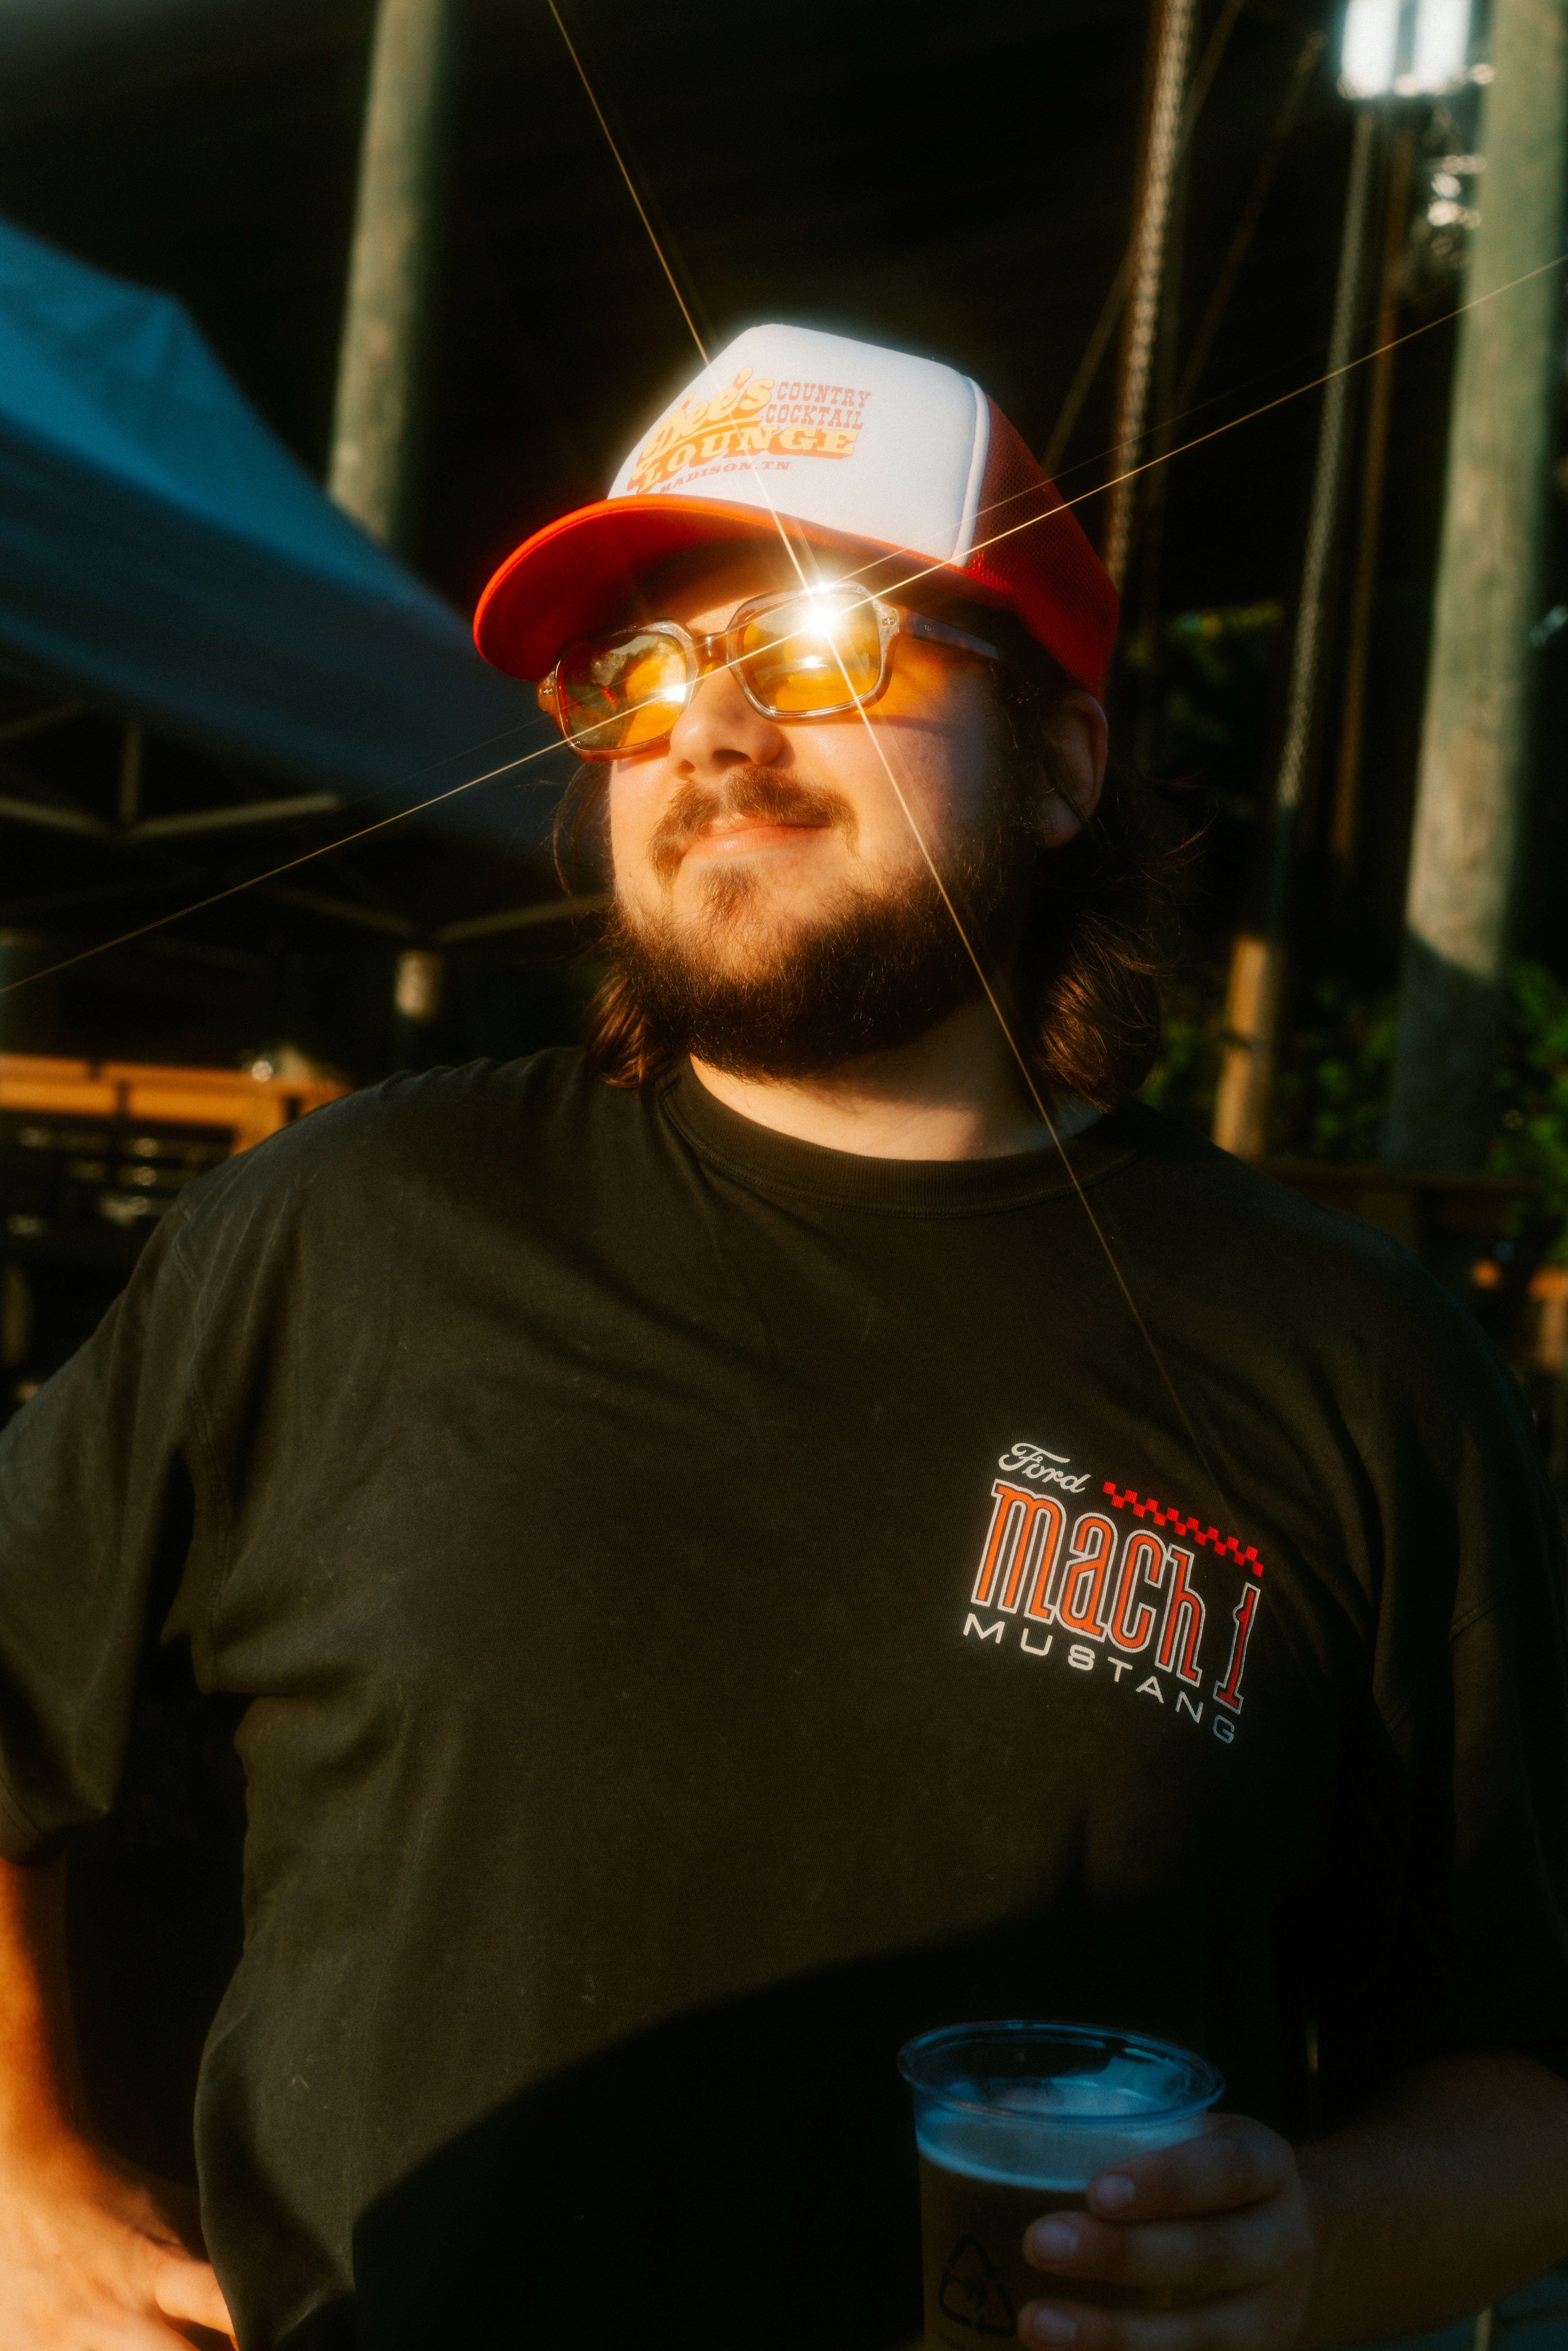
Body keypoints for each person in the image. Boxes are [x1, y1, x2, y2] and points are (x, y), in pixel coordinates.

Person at [0, 321, 1564, 2351]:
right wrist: (22, 2184)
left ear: (1067, 763)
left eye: (831, 640)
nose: (710, 730)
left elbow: (1523, 2076)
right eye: (636, 679)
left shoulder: (1353, 1361)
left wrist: (1314, 2252)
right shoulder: (348, 1224)